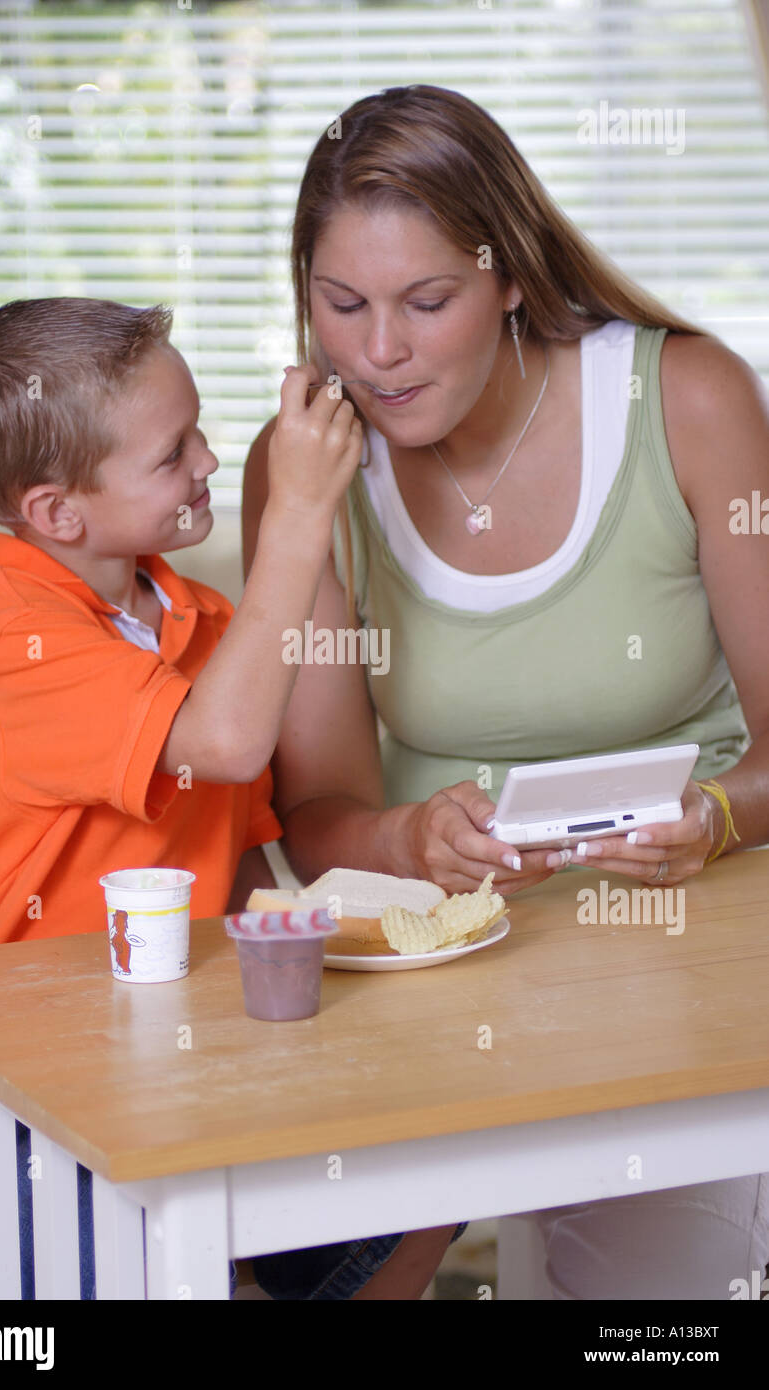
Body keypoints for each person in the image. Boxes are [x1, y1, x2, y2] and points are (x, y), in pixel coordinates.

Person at [241, 85, 769, 1299]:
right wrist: (408, 839)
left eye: (426, 302)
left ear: (511, 276)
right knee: (328, 1273)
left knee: (645, 1312)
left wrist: (711, 817)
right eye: (340, 304)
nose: (376, 352)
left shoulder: (688, 399)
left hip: (681, 946)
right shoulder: (305, 465)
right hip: (439, 957)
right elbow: (313, 814)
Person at [0, 295, 462, 1299]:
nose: (208, 461)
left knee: (428, 1160)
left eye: (199, 429)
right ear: (56, 513)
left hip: (176, 1057)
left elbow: (234, 853)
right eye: (172, 454)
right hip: (19, 1081)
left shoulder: (198, 620)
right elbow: (225, 742)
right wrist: (297, 514)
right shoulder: (6, 630)